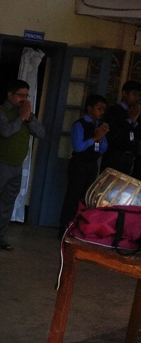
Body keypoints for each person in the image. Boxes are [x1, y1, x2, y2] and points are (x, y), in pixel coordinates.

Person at [0, 80, 45, 251]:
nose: (24, 99)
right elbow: (5, 131)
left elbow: (41, 133)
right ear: (10, 95)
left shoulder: (26, 114)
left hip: (16, 166)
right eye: (20, 95)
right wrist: (21, 118)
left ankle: (1, 236)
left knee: (7, 203)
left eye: (26, 96)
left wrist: (28, 118)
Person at [58, 94, 109, 237]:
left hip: (92, 165)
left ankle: (79, 230)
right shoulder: (79, 125)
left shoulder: (99, 127)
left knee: (86, 198)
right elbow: (79, 147)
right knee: (73, 197)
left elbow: (104, 148)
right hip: (79, 164)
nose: (102, 112)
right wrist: (95, 138)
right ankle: (65, 229)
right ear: (89, 108)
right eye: (99, 108)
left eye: (103, 109)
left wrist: (99, 139)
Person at [102, 80, 141, 176]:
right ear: (124, 93)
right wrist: (129, 121)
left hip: (129, 156)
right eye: (134, 94)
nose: (136, 98)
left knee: (124, 188)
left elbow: (138, 135)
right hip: (114, 156)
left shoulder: (135, 112)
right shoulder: (113, 111)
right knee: (110, 187)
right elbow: (112, 133)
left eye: (138, 95)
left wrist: (135, 122)